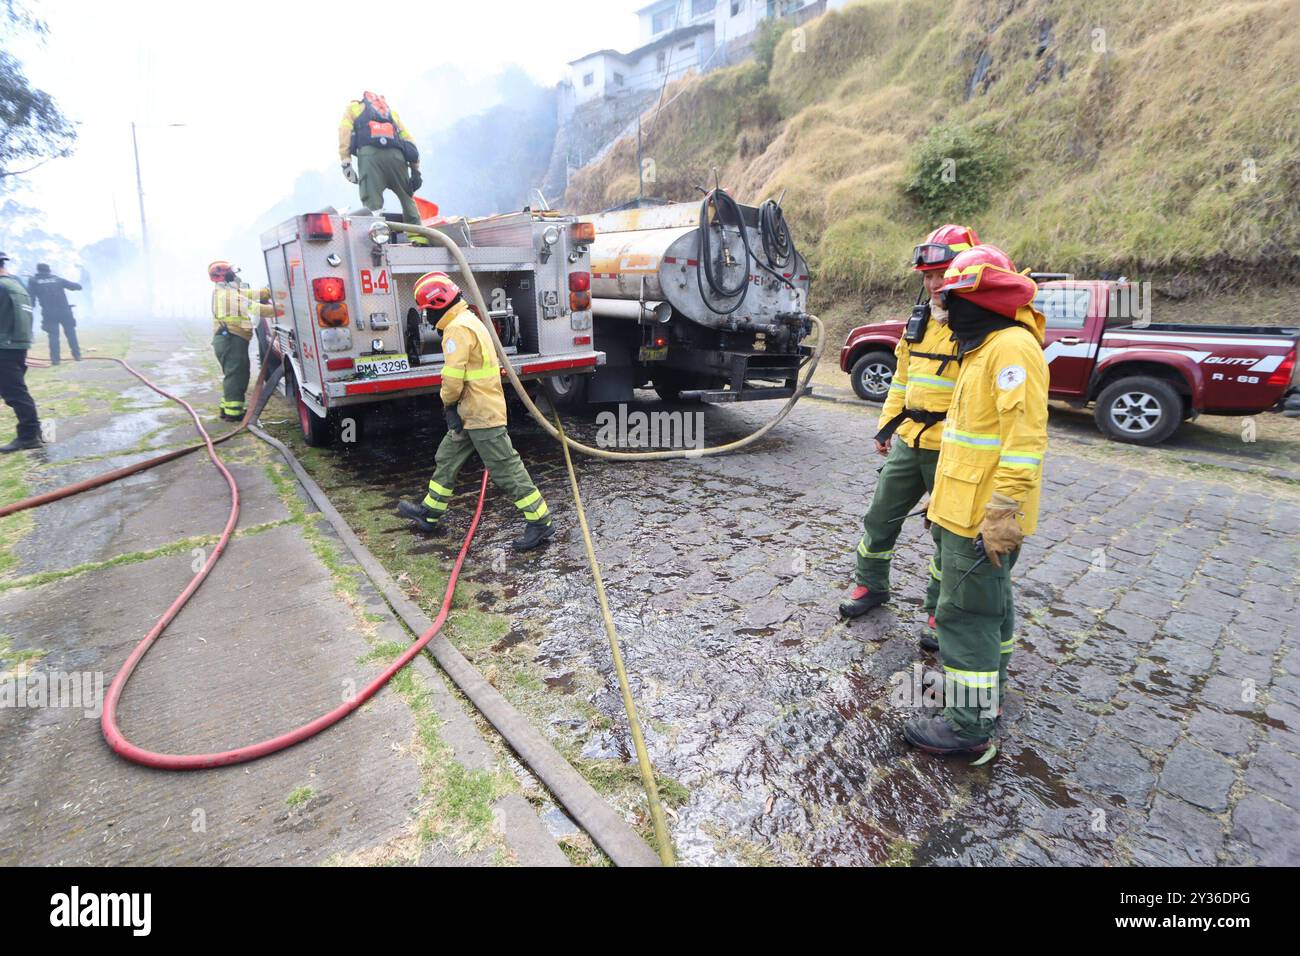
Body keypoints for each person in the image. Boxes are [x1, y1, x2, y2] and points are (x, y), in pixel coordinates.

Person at [902, 245, 1048, 756]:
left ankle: (968, 728)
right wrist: (941, 502)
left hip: (982, 521)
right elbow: (969, 442)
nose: (943, 307)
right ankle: (990, 697)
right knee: (991, 611)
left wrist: (1002, 512)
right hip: (962, 513)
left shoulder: (1010, 350)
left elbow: (1024, 444)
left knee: (964, 617)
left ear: (981, 301)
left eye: (952, 298)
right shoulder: (982, 348)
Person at [839, 226, 980, 656]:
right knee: (880, 517)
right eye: (927, 276)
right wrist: (887, 427)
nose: (934, 284)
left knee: (946, 536)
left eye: (942, 274)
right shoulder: (918, 322)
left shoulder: (978, 326)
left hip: (951, 450)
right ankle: (871, 586)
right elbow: (901, 379)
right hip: (908, 441)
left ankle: (940, 613)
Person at [397, 272, 555, 551]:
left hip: (481, 414)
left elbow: (453, 379)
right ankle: (430, 513)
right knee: (447, 457)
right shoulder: (469, 319)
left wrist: (448, 405)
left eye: (428, 312)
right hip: (472, 411)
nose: (428, 319)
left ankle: (539, 521)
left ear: (438, 305)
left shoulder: (457, 329)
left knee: (505, 468)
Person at [338, 91, 423, 232]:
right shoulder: (390, 113)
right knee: (407, 198)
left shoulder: (353, 108)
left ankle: (377, 239)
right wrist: (416, 171)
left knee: (372, 204)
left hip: (369, 158)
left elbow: (344, 131)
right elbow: (409, 140)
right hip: (397, 157)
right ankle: (419, 237)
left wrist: (346, 161)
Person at [208, 260, 274, 421]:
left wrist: (268, 292)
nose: (235, 274)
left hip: (230, 339)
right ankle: (234, 414)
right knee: (237, 375)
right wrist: (283, 310)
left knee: (233, 374)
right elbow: (256, 309)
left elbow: (250, 294)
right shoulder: (228, 295)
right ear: (223, 275)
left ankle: (226, 409)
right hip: (231, 339)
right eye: (231, 272)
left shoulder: (228, 290)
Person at [0, 252, 43, 453]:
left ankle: (28, 436)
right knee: (16, 391)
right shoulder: (16, 284)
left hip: (4, 346)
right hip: (17, 344)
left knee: (16, 394)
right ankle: (33, 432)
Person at [28, 263, 83, 364]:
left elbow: (31, 299)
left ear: (38, 270)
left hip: (49, 313)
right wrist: (79, 283)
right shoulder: (58, 279)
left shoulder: (34, 281)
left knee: (53, 336)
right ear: (49, 270)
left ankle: (55, 360)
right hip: (65, 311)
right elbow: (77, 287)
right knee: (71, 333)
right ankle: (77, 355)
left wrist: (30, 309)